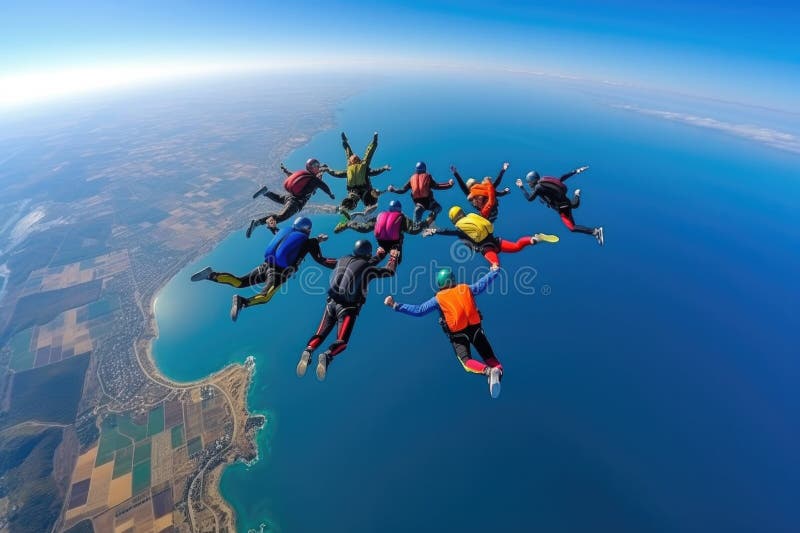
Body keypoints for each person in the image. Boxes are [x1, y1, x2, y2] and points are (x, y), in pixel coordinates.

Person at [384, 265, 504, 398]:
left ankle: (488, 371)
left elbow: (419, 310)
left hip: (458, 334)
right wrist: (495, 271)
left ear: (440, 285)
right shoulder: (466, 288)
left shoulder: (439, 298)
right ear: (453, 279)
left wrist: (395, 305)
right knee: (490, 357)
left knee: (466, 361)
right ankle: (496, 371)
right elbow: (482, 283)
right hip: (475, 329)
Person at [191, 216, 336, 321]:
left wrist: (317, 239)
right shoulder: (309, 242)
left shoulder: (285, 231)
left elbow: (277, 233)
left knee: (240, 282)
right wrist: (341, 264)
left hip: (265, 266)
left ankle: (212, 275)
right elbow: (321, 260)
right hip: (279, 273)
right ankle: (243, 302)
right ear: (308, 230)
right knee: (265, 297)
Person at [297, 240, 399, 381]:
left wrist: (379, 256)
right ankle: (328, 355)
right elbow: (389, 271)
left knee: (319, 333)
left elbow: (324, 260)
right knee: (342, 341)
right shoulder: (367, 268)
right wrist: (393, 257)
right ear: (368, 254)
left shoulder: (341, 260)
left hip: (331, 304)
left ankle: (309, 350)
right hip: (348, 308)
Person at [422, 206, 558, 266]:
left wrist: (434, 231)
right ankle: (534, 239)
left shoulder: (461, 228)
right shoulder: (473, 216)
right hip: (495, 240)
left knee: (495, 265)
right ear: (462, 213)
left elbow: (450, 231)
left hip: (485, 246)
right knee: (517, 246)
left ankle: (495, 267)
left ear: (453, 219)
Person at [246, 158, 335, 238]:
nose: (318, 167)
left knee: (279, 198)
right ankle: (257, 223)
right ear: (312, 168)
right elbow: (324, 186)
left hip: (290, 196)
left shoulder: (305, 176)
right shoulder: (314, 180)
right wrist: (330, 194)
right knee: (281, 216)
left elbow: (292, 176)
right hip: (296, 203)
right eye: (317, 166)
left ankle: (266, 192)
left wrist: (285, 171)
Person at [515, 166, 604, 245]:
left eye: (529, 182)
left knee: (572, 228)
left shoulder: (538, 187)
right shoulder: (545, 182)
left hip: (561, 208)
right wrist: (576, 171)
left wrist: (521, 187)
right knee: (574, 205)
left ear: (533, 180)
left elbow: (530, 199)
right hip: (565, 202)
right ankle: (576, 194)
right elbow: (561, 179)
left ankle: (595, 231)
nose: (529, 184)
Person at [332, 200, 427, 265]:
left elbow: (366, 227)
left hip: (382, 241)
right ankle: (390, 257)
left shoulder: (381, 215)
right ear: (399, 209)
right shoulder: (401, 217)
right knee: (397, 259)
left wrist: (353, 224)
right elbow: (413, 230)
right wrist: (427, 221)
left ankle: (348, 224)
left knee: (379, 254)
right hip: (395, 243)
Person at [324, 132, 391, 219]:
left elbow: (336, 173)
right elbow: (369, 153)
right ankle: (368, 206)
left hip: (353, 191)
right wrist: (384, 168)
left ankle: (344, 207)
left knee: (352, 199)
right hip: (365, 190)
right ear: (359, 160)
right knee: (372, 195)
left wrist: (328, 170)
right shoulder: (363, 165)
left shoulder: (349, 168)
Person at [385, 161, 454, 223]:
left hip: (419, 203)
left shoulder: (411, 178)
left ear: (416, 170)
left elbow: (403, 190)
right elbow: (437, 186)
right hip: (429, 201)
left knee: (418, 213)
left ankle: (416, 224)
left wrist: (393, 189)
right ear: (425, 169)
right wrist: (449, 184)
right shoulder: (427, 176)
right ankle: (430, 219)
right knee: (438, 208)